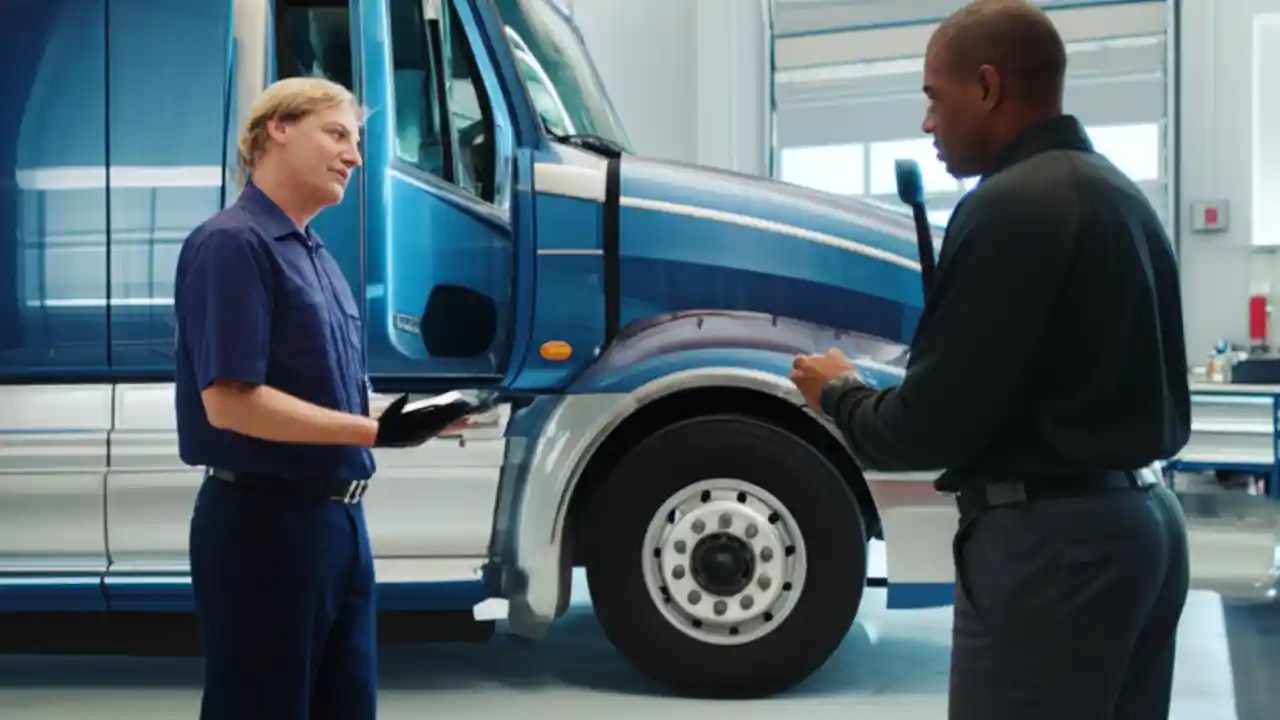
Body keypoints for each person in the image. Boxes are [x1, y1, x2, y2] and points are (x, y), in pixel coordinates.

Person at [789, 1, 1191, 718]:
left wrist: (840, 392)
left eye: (934, 98)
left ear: (986, 86)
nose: (928, 123)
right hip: (1145, 527)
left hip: (1053, 551)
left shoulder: (1008, 207)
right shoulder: (1122, 198)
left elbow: (926, 428)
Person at [173, 76, 454, 719]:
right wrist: (374, 432)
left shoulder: (316, 256)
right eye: (336, 135)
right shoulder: (232, 245)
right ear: (277, 128)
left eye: (355, 141)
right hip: (266, 524)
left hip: (339, 524)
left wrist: (407, 418)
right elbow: (230, 403)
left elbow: (318, 395)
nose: (354, 156)